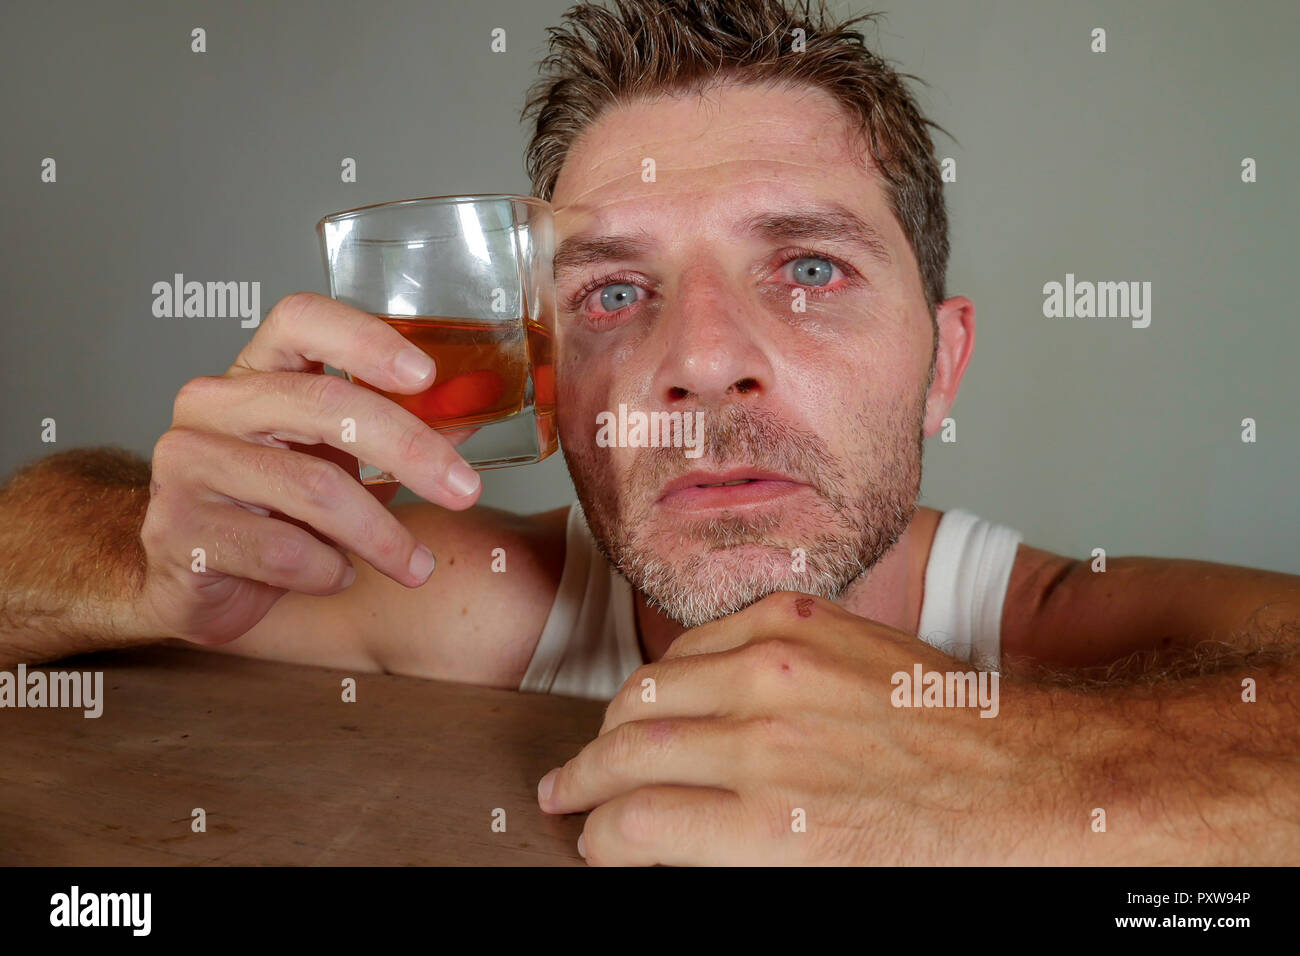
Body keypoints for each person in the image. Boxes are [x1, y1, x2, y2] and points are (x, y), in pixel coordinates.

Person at [2, 0, 1297, 865]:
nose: (701, 360)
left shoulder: (1053, 634)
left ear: (940, 364)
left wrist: (1004, 770)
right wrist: (144, 556)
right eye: (615, 292)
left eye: (808, 269)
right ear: (553, 376)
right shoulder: (481, 600)